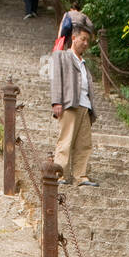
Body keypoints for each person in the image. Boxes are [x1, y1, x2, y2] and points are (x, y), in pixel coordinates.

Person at [50, 20, 98, 187]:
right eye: (83, 39)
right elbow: (56, 79)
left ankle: (80, 176)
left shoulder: (83, 63)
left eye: (87, 41)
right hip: (69, 103)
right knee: (66, 140)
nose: (85, 43)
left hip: (85, 105)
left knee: (84, 144)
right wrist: (57, 101)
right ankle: (59, 174)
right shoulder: (62, 56)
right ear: (74, 37)